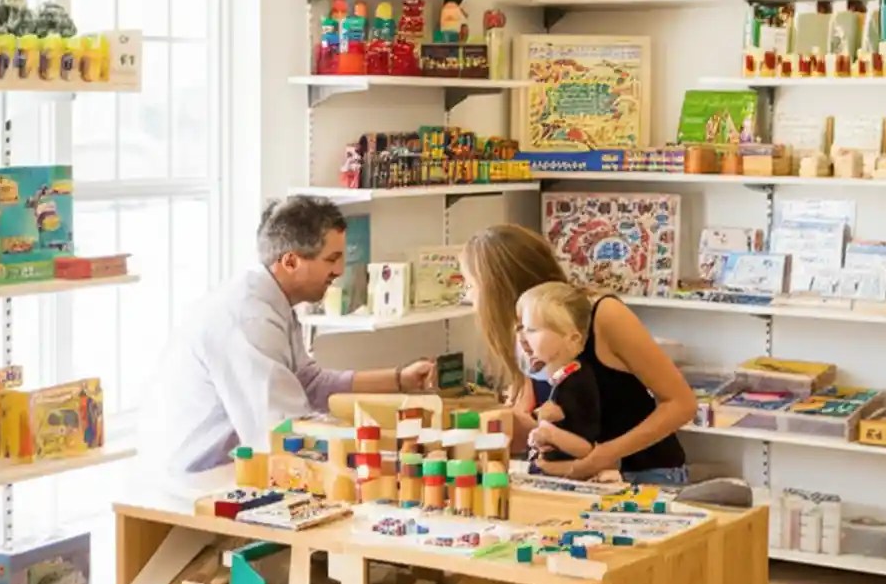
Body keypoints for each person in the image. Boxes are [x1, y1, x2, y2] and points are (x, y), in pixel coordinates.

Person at [144, 195, 435, 476]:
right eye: (331, 259)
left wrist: (400, 379)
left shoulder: (275, 303)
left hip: (233, 465)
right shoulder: (250, 320)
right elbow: (284, 428)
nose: (338, 271)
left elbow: (310, 383)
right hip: (200, 477)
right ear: (291, 262)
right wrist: (382, 453)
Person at [461, 224, 698, 486]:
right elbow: (568, 420)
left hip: (642, 474)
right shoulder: (523, 332)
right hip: (577, 480)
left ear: (498, 289)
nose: (469, 296)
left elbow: (681, 404)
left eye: (472, 285)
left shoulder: (602, 314)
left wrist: (601, 456)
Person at [516, 282, 601, 471]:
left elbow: (587, 448)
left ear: (572, 339)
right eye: (522, 329)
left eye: (532, 330)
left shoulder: (578, 382)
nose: (522, 338)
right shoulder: (557, 377)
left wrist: (549, 434)